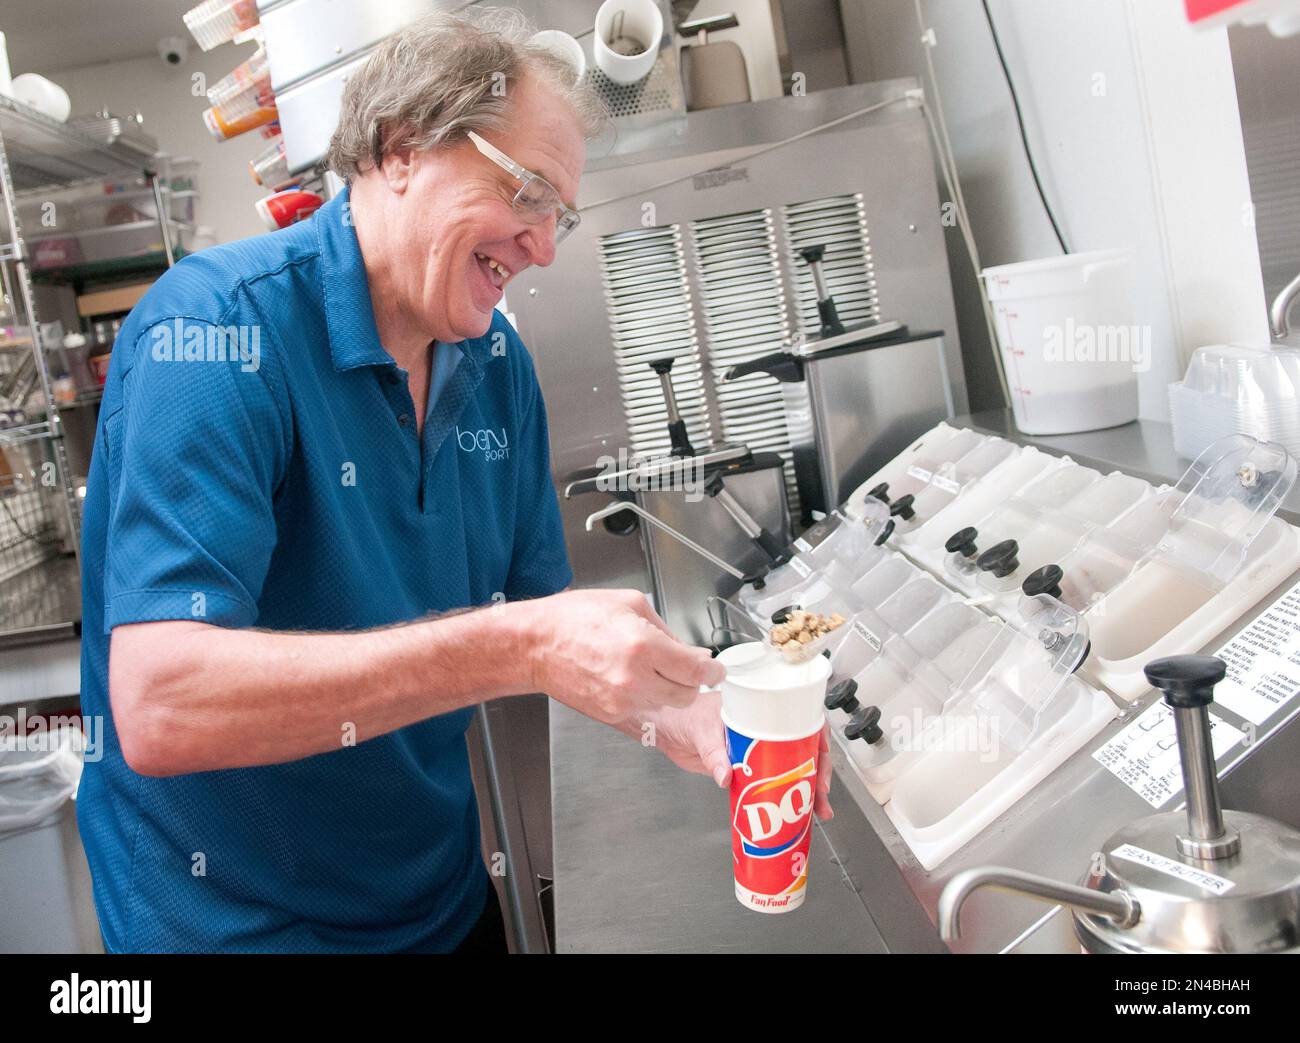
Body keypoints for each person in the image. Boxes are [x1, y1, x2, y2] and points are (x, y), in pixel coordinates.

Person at [76, 10, 830, 954]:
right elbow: (161, 705)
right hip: (234, 926)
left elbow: (545, 623)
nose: (543, 247)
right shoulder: (218, 337)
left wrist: (696, 713)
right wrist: (518, 646)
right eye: (524, 192)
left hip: (432, 902)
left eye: (560, 212)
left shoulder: (494, 366)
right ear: (400, 149)